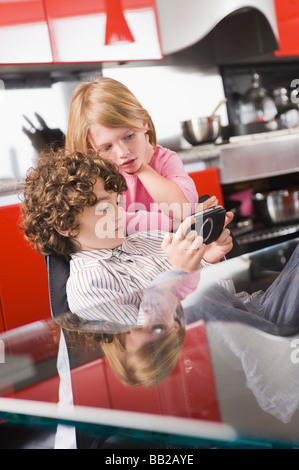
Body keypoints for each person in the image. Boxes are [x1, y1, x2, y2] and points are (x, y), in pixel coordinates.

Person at [21, 148, 233, 327]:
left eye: (117, 203)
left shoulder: (148, 238)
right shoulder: (89, 287)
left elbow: (228, 296)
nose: (119, 214)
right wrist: (176, 275)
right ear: (65, 225)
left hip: (238, 313)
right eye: (104, 208)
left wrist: (208, 260)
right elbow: (146, 347)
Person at [65, 76, 215, 234]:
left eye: (129, 136)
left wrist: (142, 168)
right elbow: (107, 222)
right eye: (107, 147)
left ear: (144, 124)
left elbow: (184, 210)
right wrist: (174, 224)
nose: (123, 153)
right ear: (91, 149)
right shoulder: (95, 176)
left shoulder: (165, 160)